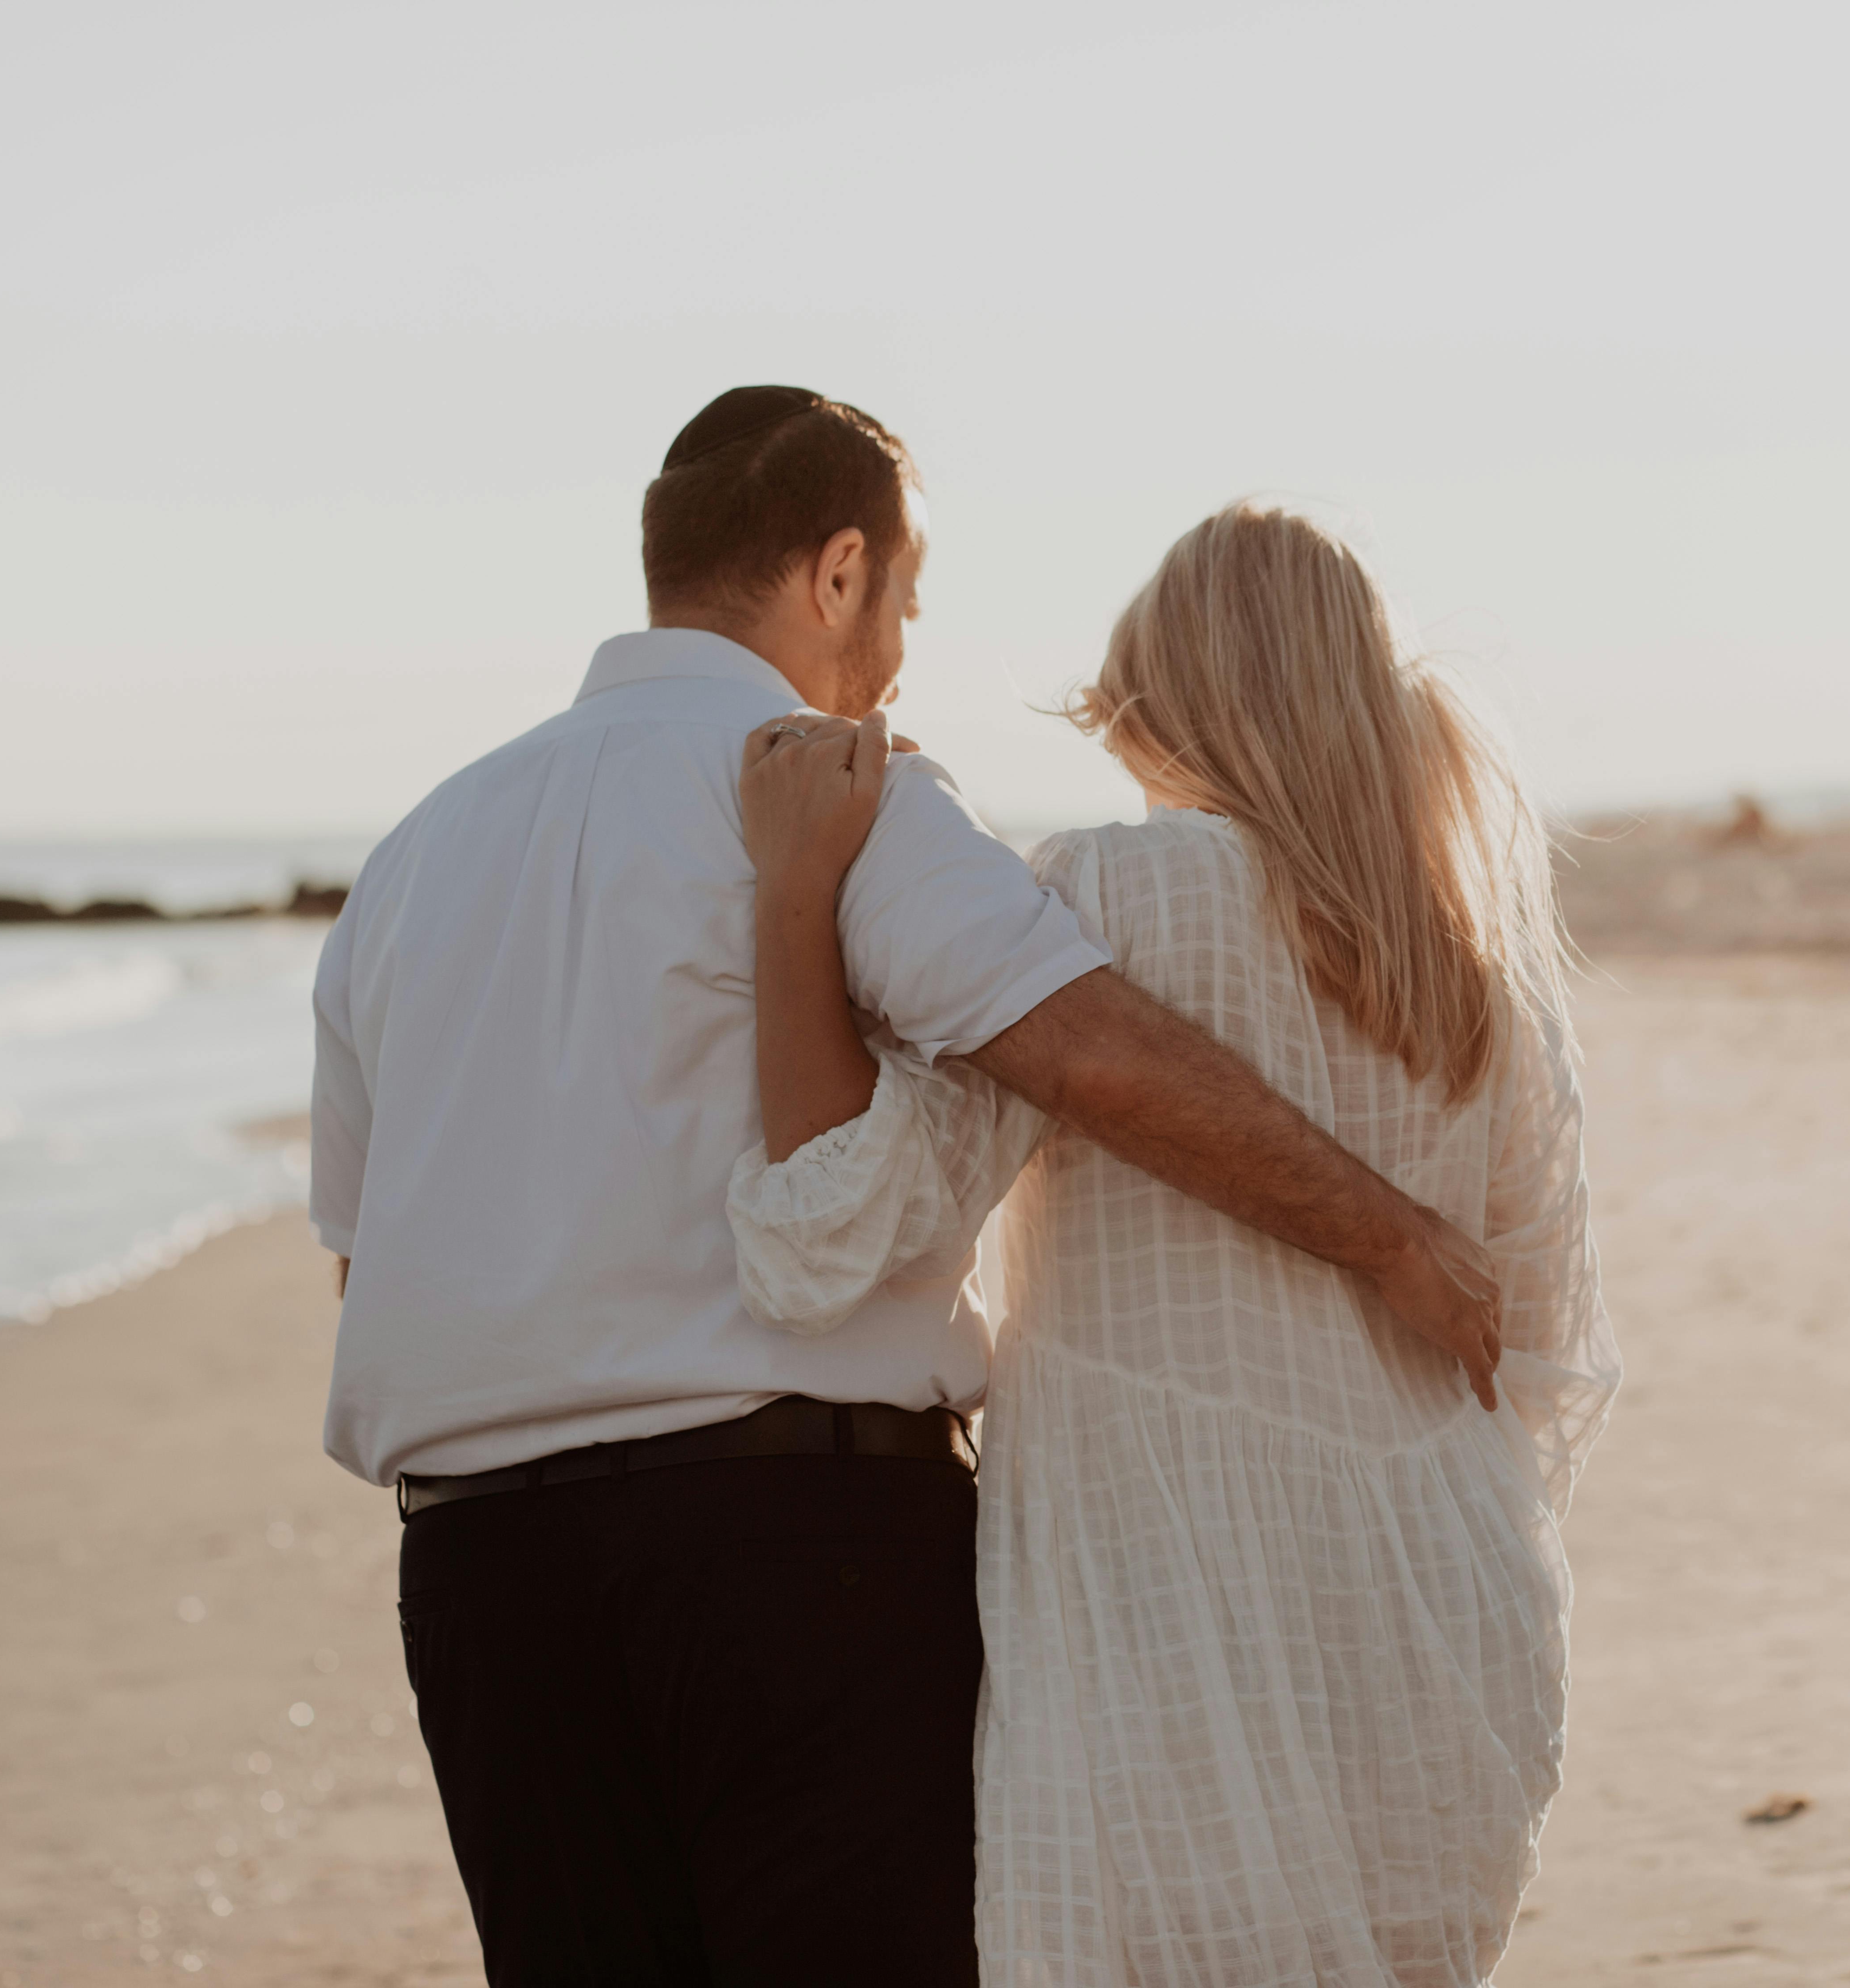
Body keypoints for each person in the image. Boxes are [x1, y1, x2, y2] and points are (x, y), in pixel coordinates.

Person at [308, 392, 1503, 1986]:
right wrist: (1392, 1233)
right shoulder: (830, 785)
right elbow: (1081, 1047)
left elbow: (362, 1252)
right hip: (794, 1544)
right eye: (908, 605)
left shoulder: (411, 858)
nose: (901, 654)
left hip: (478, 1579)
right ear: (840, 572)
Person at [731, 501, 1618, 1986]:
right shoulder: (1471, 967)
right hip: (1445, 1593)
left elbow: (842, 1228)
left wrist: (795, 899)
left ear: (1166, 707)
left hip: (1164, 1595)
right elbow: (1536, 1335)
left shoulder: (1104, 900)